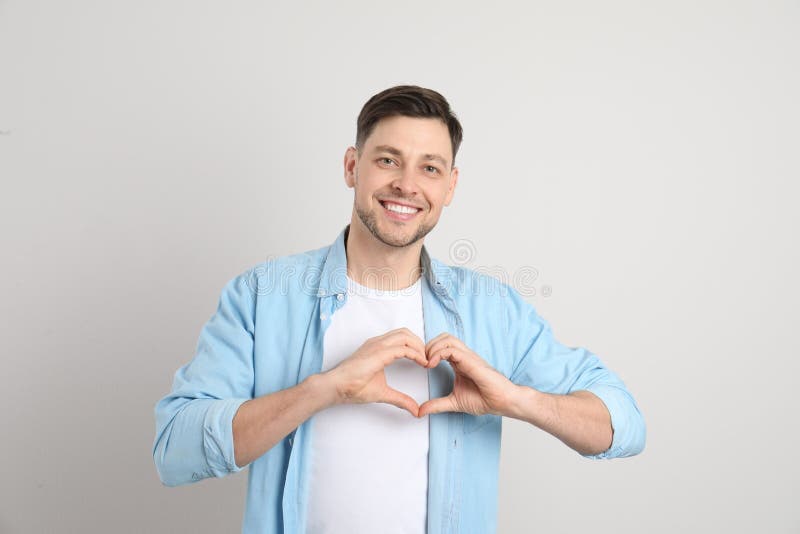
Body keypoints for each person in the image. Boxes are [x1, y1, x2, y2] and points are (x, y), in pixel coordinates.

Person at [152, 85, 646, 533]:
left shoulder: (492, 310)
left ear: (449, 186)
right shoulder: (262, 296)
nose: (407, 185)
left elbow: (623, 425)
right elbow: (174, 451)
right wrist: (322, 390)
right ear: (352, 166)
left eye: (429, 168)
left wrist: (515, 400)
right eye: (388, 160)